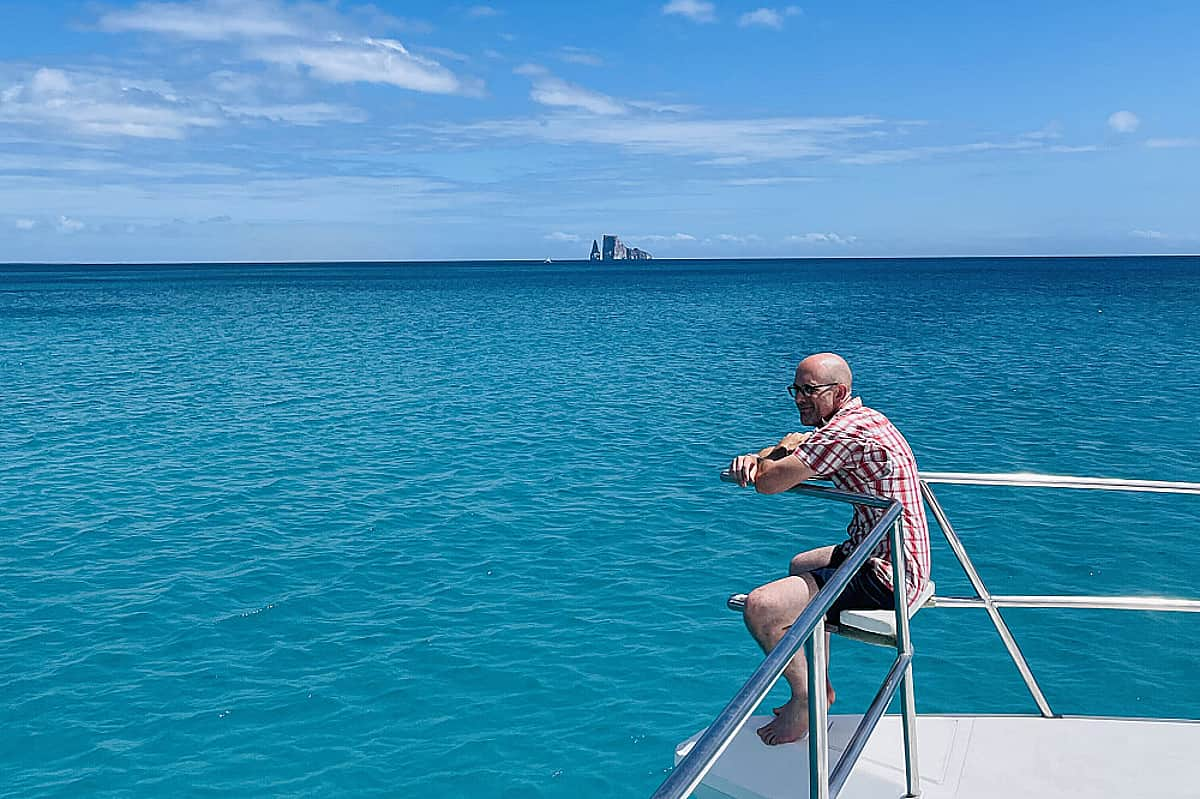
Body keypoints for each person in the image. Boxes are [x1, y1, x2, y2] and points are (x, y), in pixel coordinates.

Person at [728, 352, 931, 746]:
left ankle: (807, 699)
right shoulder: (861, 418)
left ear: (838, 392)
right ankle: (819, 682)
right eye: (796, 390)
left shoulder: (844, 434)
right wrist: (772, 454)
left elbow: (770, 483)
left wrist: (771, 454)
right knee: (801, 563)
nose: (800, 398)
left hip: (890, 573)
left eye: (810, 390)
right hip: (890, 550)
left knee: (761, 607)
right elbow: (793, 455)